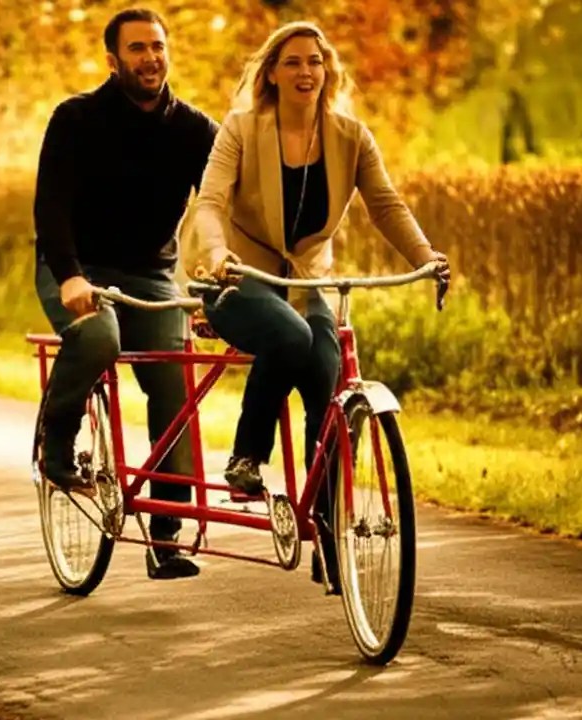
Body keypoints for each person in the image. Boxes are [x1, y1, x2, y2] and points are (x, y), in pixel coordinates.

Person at [191, 21, 451, 590]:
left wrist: (427, 254)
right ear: (272, 73)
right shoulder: (240, 128)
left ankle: (328, 516)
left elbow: (385, 204)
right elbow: (210, 203)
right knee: (289, 336)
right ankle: (246, 459)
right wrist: (215, 253)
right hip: (236, 275)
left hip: (309, 280)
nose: (306, 71)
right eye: (293, 62)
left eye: (315, 61)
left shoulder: (350, 136)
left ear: (327, 71)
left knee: (326, 373)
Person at [33, 8, 220, 580]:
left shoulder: (194, 130)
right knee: (99, 338)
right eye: (137, 49)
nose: (151, 58)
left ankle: (166, 529)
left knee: (174, 375)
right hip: (76, 265)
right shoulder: (76, 119)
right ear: (113, 61)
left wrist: (216, 287)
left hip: (151, 274)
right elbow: (52, 208)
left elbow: (221, 213)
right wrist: (69, 276)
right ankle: (56, 437)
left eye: (158, 47)